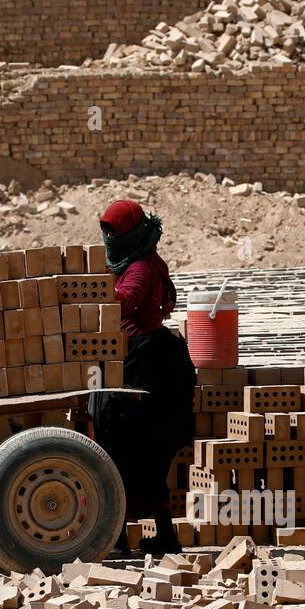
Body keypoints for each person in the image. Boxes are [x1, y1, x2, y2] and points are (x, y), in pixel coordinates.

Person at [89, 200, 195, 556]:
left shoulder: (141, 267)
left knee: (129, 451)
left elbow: (122, 301)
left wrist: (87, 292)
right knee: (123, 453)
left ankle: (128, 537)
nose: (108, 238)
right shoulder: (128, 260)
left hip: (144, 366)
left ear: (131, 233)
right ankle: (133, 536)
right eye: (105, 232)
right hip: (125, 360)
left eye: (114, 232)